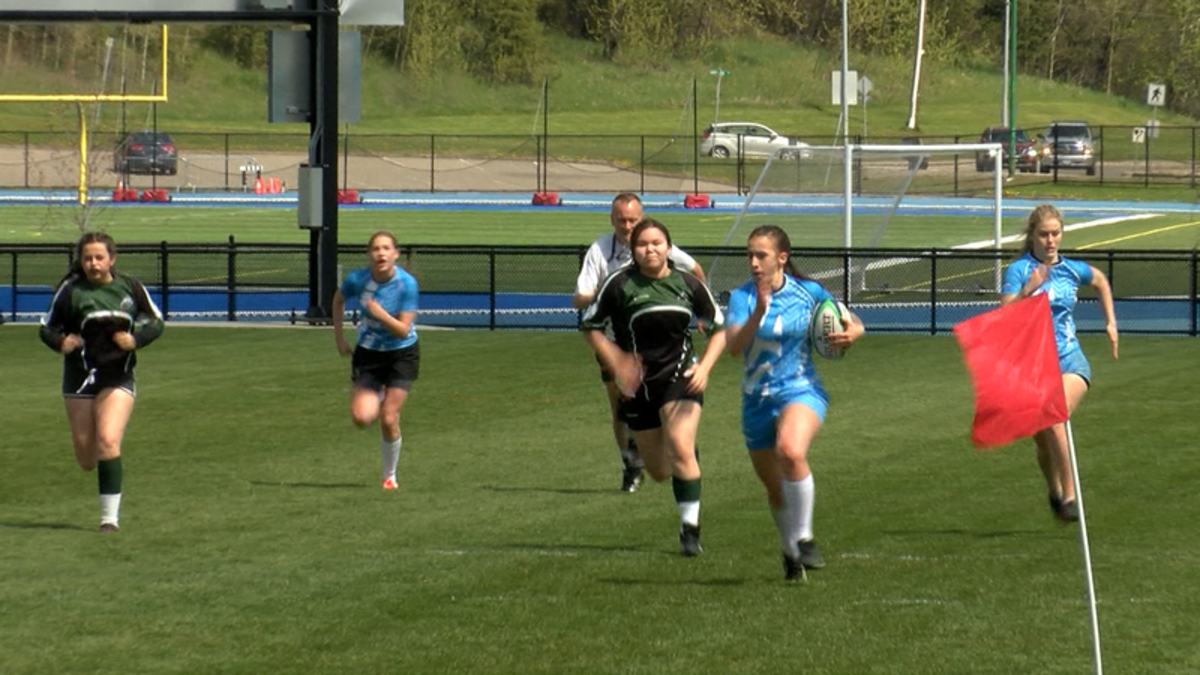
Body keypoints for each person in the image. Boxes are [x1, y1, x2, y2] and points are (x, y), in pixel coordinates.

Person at [724, 225, 864, 581]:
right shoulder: (742, 298)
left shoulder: (809, 292)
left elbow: (848, 318)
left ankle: (804, 537)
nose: (754, 262)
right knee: (774, 489)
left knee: (791, 450)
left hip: (800, 390)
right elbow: (734, 346)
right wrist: (759, 311)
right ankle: (790, 554)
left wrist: (854, 332)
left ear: (782, 258)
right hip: (756, 400)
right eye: (750, 255)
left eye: (761, 255)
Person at [581, 218, 726, 557]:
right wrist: (617, 361)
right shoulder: (619, 285)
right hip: (638, 386)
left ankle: (690, 532)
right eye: (643, 244)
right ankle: (686, 456)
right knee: (660, 472)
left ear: (668, 248)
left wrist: (704, 367)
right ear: (634, 251)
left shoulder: (688, 284)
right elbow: (590, 326)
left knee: (678, 442)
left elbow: (719, 327)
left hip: (682, 376)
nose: (651, 249)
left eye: (657, 243)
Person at [573, 193, 707, 493]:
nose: (628, 226)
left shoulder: (654, 245)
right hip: (615, 346)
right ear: (612, 220)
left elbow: (695, 270)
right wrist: (607, 297)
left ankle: (679, 446)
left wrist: (699, 312)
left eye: (633, 219)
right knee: (621, 408)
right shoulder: (600, 250)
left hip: (660, 346)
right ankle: (631, 464)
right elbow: (579, 297)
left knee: (663, 402)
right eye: (621, 220)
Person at [39, 232, 165, 532]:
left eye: (99, 257)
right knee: (86, 457)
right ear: (80, 261)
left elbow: (156, 321)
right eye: (87, 258)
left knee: (108, 440)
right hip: (79, 377)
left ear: (112, 259)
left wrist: (135, 339)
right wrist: (61, 342)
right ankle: (98, 461)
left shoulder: (130, 288)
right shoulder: (70, 291)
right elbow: (46, 328)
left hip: (117, 376)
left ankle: (109, 519)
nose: (93, 263)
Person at [1001, 204, 1118, 523]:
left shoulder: (1070, 269)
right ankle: (1054, 490)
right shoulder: (1019, 270)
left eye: (1056, 234)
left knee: (1055, 417)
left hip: (1069, 360)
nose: (1050, 240)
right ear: (1033, 236)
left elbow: (1100, 280)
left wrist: (1110, 322)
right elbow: (1005, 315)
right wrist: (1028, 290)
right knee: (1042, 439)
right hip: (1033, 366)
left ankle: (1070, 496)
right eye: (1044, 234)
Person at [333, 231, 420, 491]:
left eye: (386, 248)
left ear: (395, 254)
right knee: (361, 418)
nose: (381, 253)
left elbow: (403, 330)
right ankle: (377, 394)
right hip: (369, 353)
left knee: (389, 418)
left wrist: (380, 314)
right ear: (369, 254)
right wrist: (339, 337)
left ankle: (389, 475)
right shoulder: (357, 280)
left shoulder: (407, 284)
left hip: (401, 353)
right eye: (375, 249)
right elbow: (338, 300)